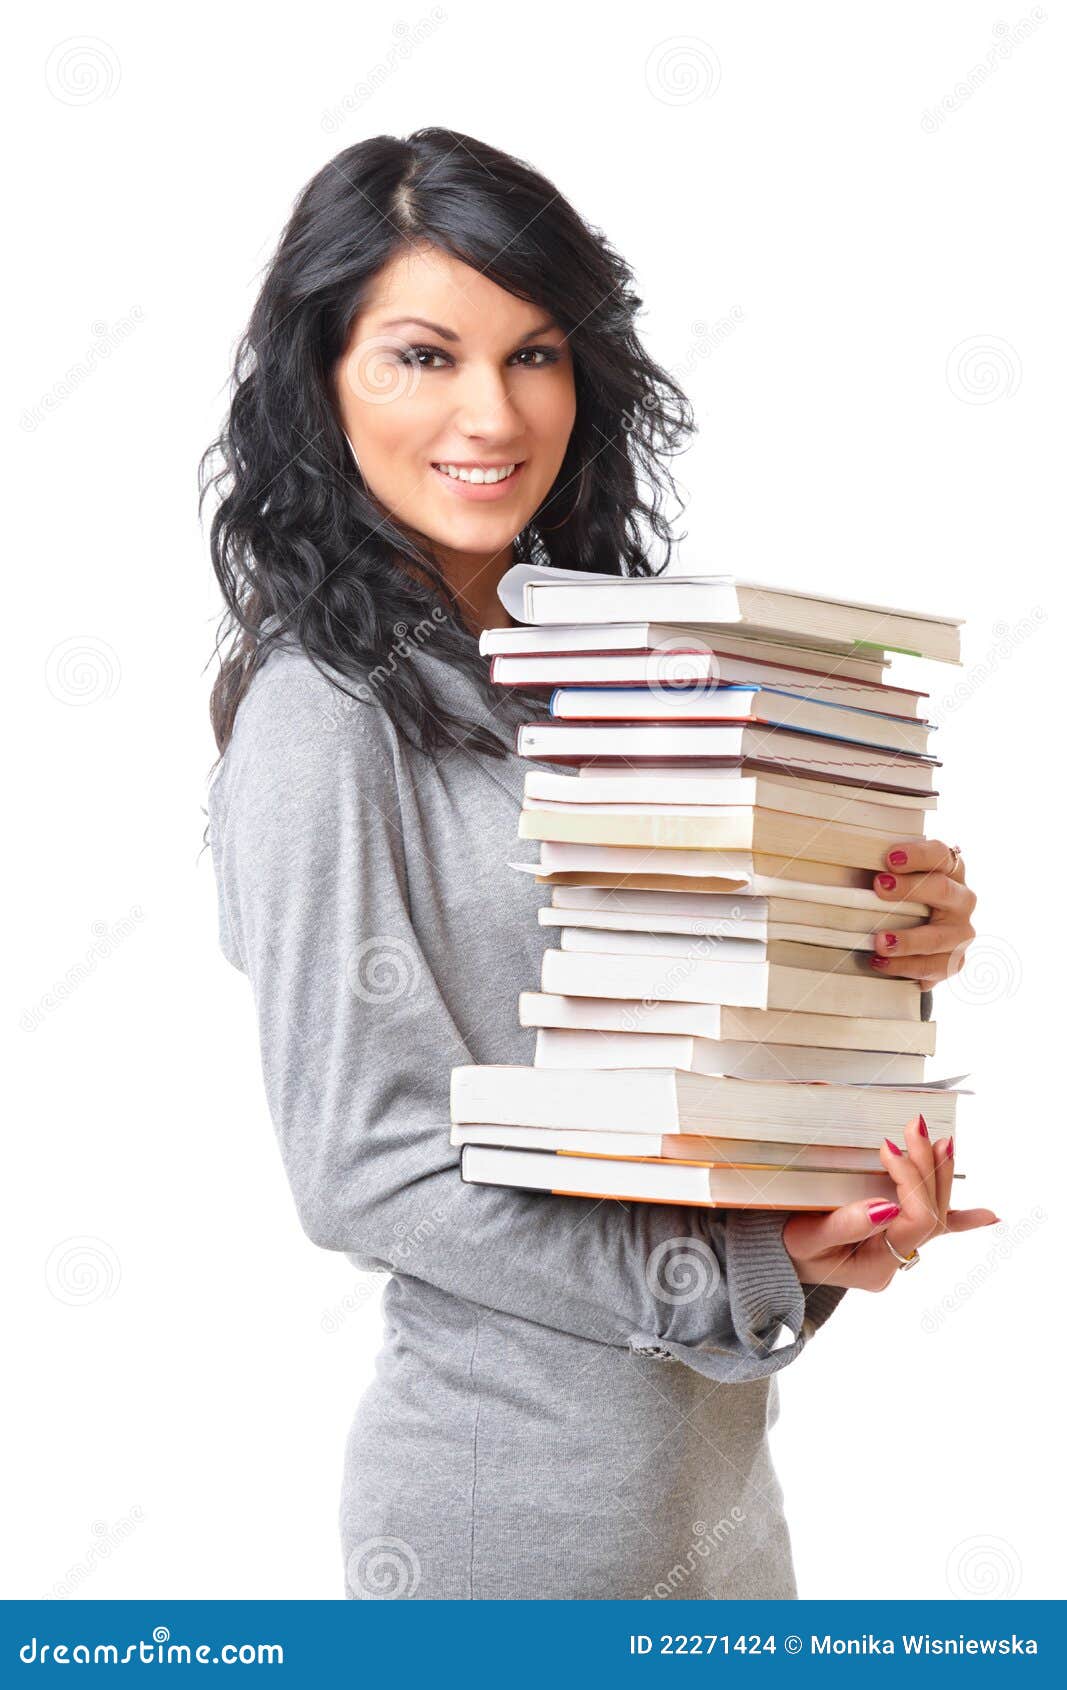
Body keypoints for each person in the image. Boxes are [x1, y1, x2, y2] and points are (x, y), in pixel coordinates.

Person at [201, 128, 995, 1600]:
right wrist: (738, 1276)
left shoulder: (602, 679)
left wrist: (866, 943)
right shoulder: (326, 717)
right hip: (506, 1524)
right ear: (321, 379)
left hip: (721, 1504)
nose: (493, 413)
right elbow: (362, 1166)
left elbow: (679, 1064)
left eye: (537, 354)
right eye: (423, 356)